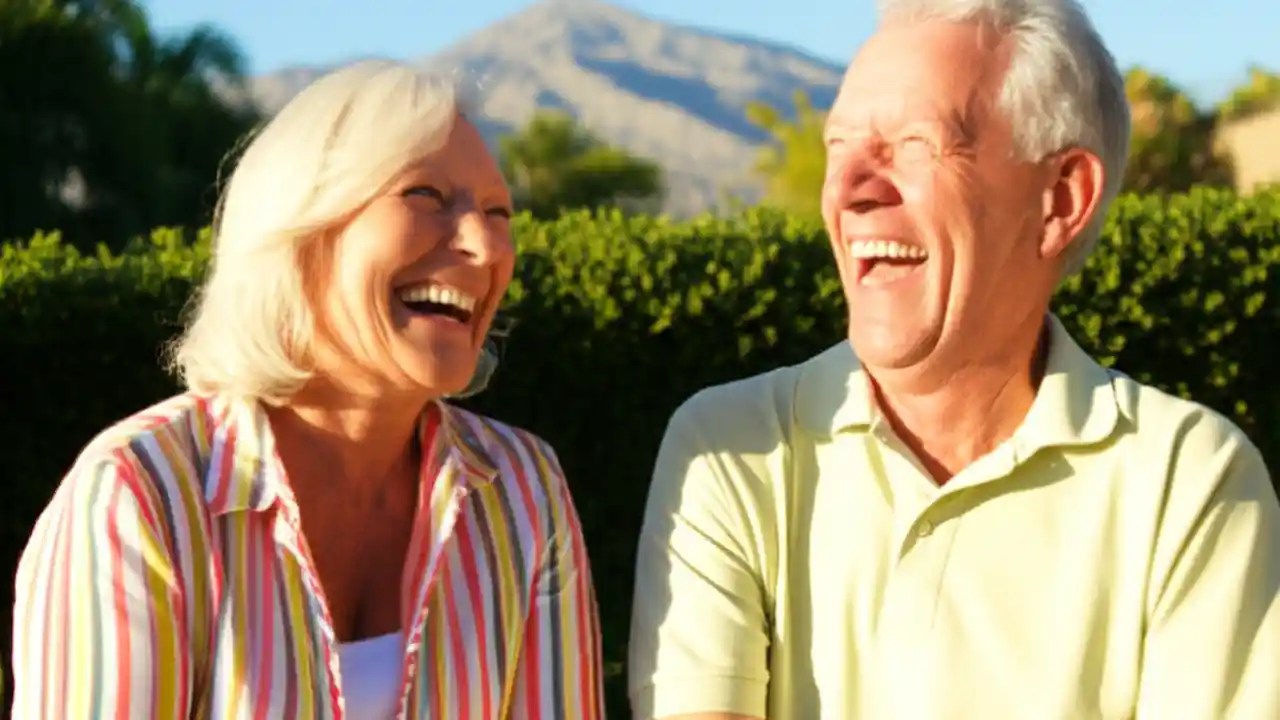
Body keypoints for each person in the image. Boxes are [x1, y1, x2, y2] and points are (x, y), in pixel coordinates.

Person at [627, 1, 1280, 718]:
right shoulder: (733, 448)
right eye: (840, 144)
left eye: (915, 143)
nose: (848, 189)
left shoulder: (1189, 483)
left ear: (1062, 198)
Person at [12, 60, 604, 719]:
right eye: (426, 197)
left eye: (499, 212)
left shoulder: (521, 488)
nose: (485, 244)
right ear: (302, 234)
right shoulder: (139, 494)